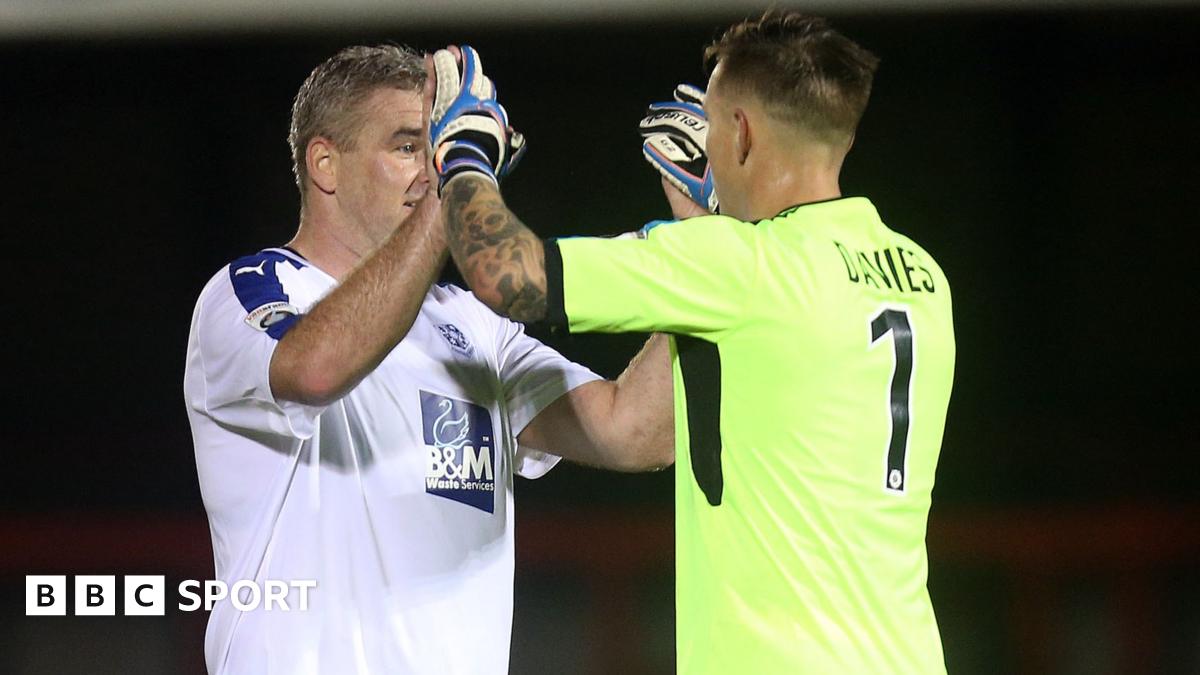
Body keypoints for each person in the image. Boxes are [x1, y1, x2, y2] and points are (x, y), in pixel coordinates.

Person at [430, 11, 955, 674]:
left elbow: (507, 273)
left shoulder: (735, 264)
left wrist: (466, 149)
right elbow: (774, 365)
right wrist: (717, 215)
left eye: (709, 119)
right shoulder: (923, 276)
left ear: (739, 134)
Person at [183, 44, 672, 675]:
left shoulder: (473, 324)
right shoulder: (251, 290)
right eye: (409, 146)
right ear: (325, 164)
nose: (432, 167)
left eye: (439, 143)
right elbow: (316, 369)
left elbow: (635, 432)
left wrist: (706, 250)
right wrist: (460, 180)